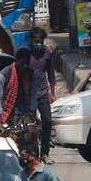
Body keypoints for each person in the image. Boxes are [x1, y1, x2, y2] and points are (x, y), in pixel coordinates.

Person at [28, 28, 56, 160]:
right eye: (35, 41)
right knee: (31, 125)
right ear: (31, 40)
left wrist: (53, 93)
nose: (38, 43)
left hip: (43, 92)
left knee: (47, 122)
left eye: (40, 41)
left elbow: (51, 74)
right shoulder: (25, 53)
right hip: (29, 95)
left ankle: (45, 153)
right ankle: (34, 154)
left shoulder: (47, 53)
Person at [0, 47, 38, 130]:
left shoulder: (31, 73)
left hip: (24, 112)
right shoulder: (3, 75)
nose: (25, 66)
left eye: (27, 63)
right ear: (16, 60)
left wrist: (33, 115)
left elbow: (33, 95)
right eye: (22, 63)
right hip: (8, 113)